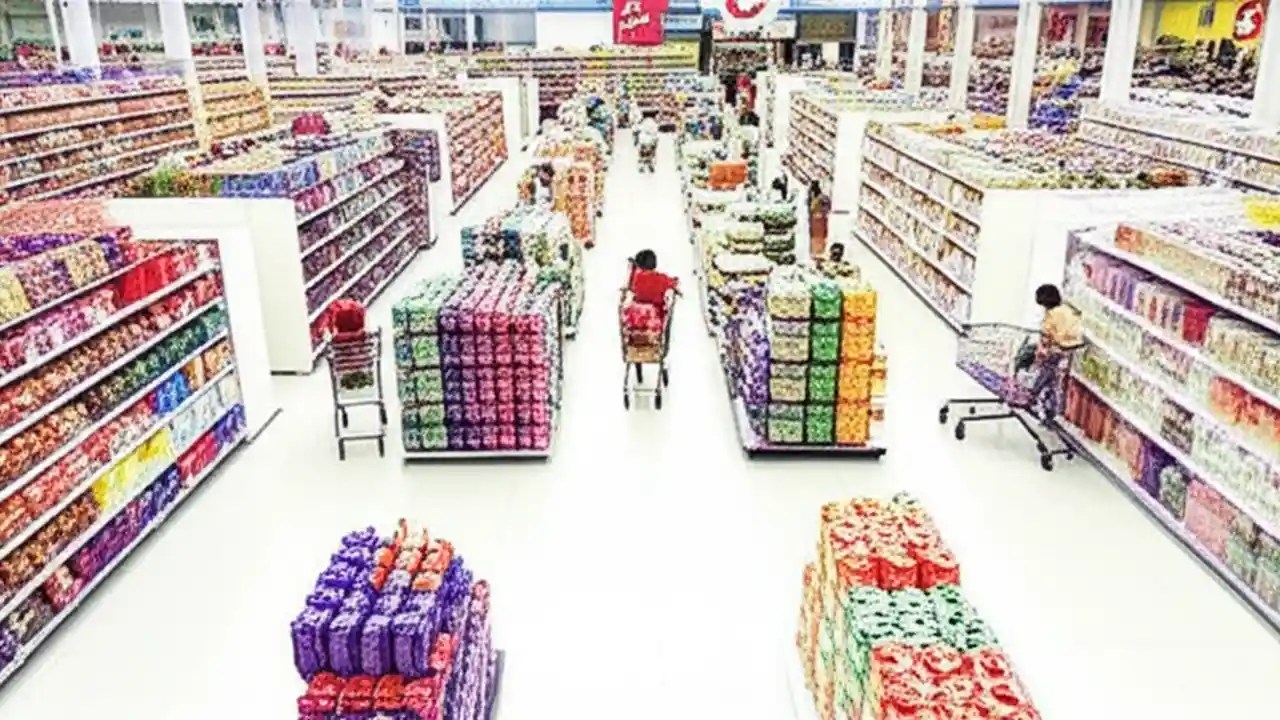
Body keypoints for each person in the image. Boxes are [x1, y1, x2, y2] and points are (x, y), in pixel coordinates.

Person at [628, 249, 680, 319]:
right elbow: (673, 283)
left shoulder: (637, 279)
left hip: (638, 316)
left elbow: (631, 288)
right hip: (656, 316)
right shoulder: (662, 278)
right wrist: (675, 280)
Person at [808, 179, 831, 258]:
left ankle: (818, 252)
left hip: (819, 219)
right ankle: (816, 251)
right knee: (815, 236)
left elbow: (827, 207)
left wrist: (821, 213)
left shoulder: (822, 198)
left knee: (818, 236)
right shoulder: (814, 197)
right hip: (815, 219)